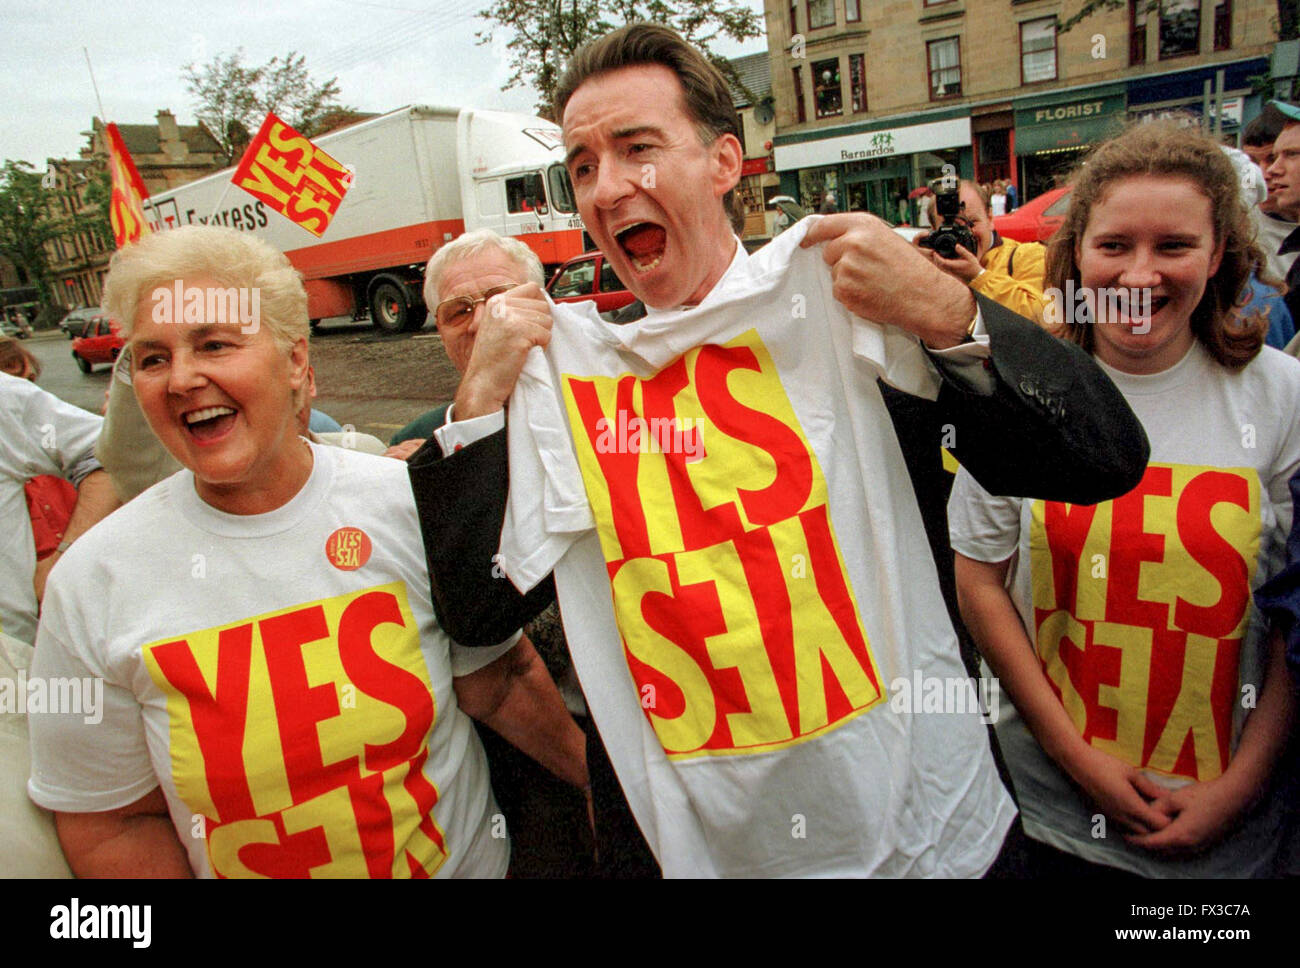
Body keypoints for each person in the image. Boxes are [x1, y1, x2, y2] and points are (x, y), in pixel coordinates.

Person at [408, 23, 1149, 878]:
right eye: (581, 166)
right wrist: (477, 405)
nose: (607, 188)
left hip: (923, 834)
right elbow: (478, 613)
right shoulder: (562, 377)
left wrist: (952, 316)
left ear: (725, 163)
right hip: (697, 848)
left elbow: (1102, 459)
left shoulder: (839, 301)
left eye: (637, 148)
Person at [27, 225, 586, 878]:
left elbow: (501, 682)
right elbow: (112, 823)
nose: (182, 378)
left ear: (296, 363)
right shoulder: (92, 582)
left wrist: (616, 796)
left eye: (214, 344)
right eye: (152, 358)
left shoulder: (411, 501)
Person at [949, 121, 1300, 877]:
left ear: (1220, 254)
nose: (1141, 275)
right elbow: (981, 582)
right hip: (1052, 824)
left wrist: (1240, 788)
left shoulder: (1284, 399)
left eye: (1173, 245)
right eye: (1114, 246)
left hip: (1235, 840)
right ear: (1074, 254)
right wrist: (1077, 761)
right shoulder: (1016, 391)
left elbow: (1293, 621)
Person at [915, 180, 1048, 322]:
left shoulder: (1028, 256)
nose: (963, 233)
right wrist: (922, 273)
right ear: (934, 230)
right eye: (950, 226)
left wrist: (978, 276)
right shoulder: (935, 265)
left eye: (971, 222)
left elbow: (1044, 316)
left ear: (990, 218)